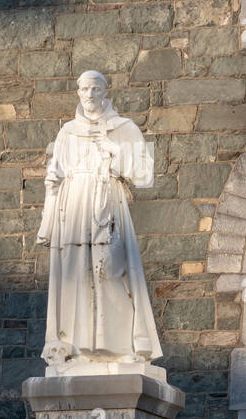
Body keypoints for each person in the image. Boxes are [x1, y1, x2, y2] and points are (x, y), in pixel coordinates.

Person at [36, 70, 162, 370]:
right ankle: (77, 348)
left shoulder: (124, 128)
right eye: (84, 89)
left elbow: (145, 175)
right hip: (74, 209)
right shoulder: (67, 132)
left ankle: (121, 345)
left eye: (95, 89)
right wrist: (48, 221)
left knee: (111, 271)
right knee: (76, 275)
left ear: (105, 92)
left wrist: (115, 152)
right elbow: (53, 178)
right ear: (78, 92)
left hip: (108, 206)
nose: (89, 95)